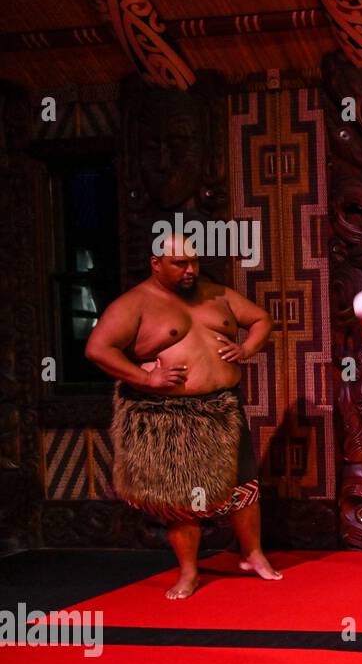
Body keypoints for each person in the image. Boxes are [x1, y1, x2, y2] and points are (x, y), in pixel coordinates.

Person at [86, 234, 281, 599]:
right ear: (156, 263)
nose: (190, 270)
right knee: (181, 498)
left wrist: (247, 348)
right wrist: (146, 378)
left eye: (193, 261)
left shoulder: (215, 294)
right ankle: (189, 572)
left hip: (224, 406)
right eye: (180, 264)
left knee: (245, 486)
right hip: (170, 415)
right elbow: (98, 349)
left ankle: (252, 554)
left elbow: (261, 319)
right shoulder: (136, 304)